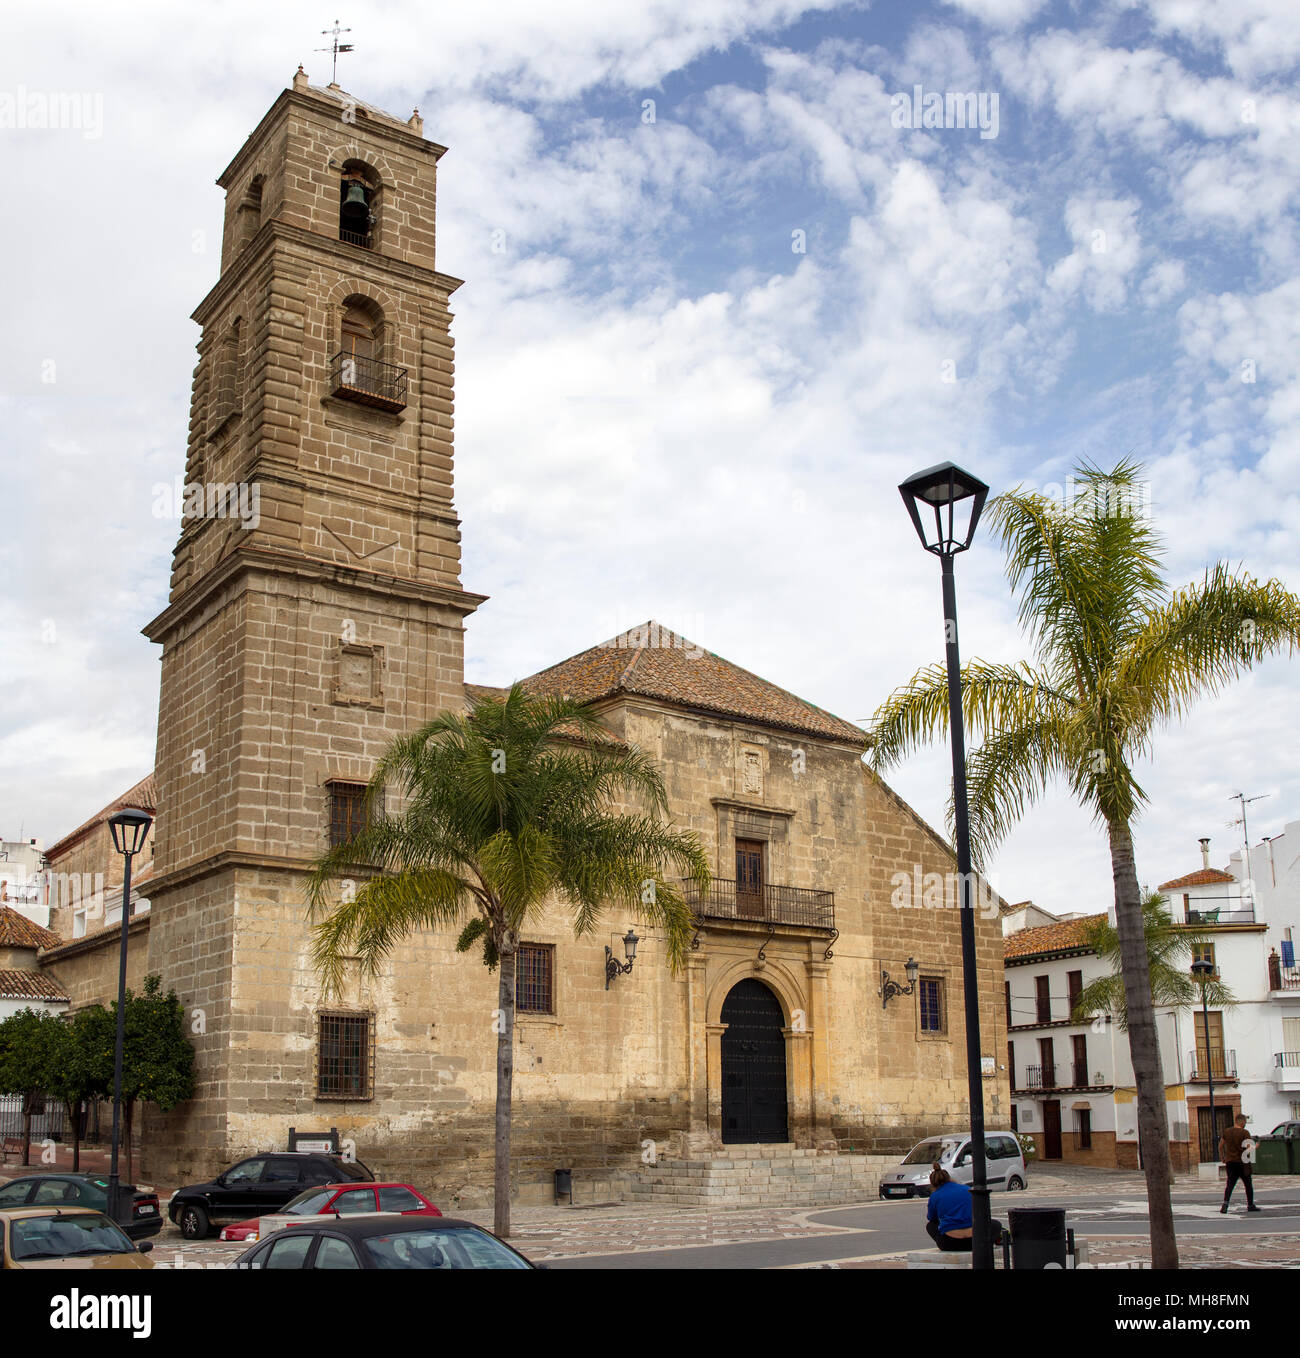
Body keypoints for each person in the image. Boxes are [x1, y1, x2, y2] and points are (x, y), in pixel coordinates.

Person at [1220, 1113, 1261, 1214]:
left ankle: (1225, 1205)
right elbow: (1248, 1148)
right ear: (1242, 1121)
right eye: (1245, 1122)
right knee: (1248, 1184)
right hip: (1243, 1162)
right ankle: (1250, 1205)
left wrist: (1223, 1157)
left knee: (1230, 1184)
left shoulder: (1227, 1131)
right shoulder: (1244, 1132)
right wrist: (1256, 1146)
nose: (1245, 1124)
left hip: (1230, 1162)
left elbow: (1220, 1145)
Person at [925, 1165, 974, 1250]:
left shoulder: (935, 1195)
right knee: (995, 1224)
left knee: (930, 1225)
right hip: (974, 1241)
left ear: (932, 1183)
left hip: (950, 1243)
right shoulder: (967, 1189)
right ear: (949, 1178)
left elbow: (931, 1218)